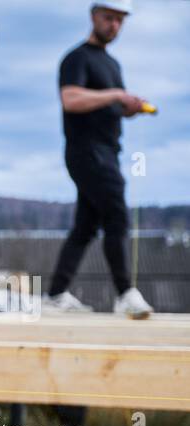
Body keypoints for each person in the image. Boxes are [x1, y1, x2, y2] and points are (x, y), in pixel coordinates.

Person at [45, 1, 154, 318]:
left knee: (86, 226)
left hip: (108, 151)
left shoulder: (112, 65)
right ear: (94, 17)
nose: (114, 26)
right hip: (86, 152)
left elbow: (110, 107)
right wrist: (117, 96)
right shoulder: (76, 58)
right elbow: (71, 99)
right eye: (109, 19)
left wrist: (128, 108)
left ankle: (55, 294)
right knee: (117, 213)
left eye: (120, 21)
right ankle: (125, 293)